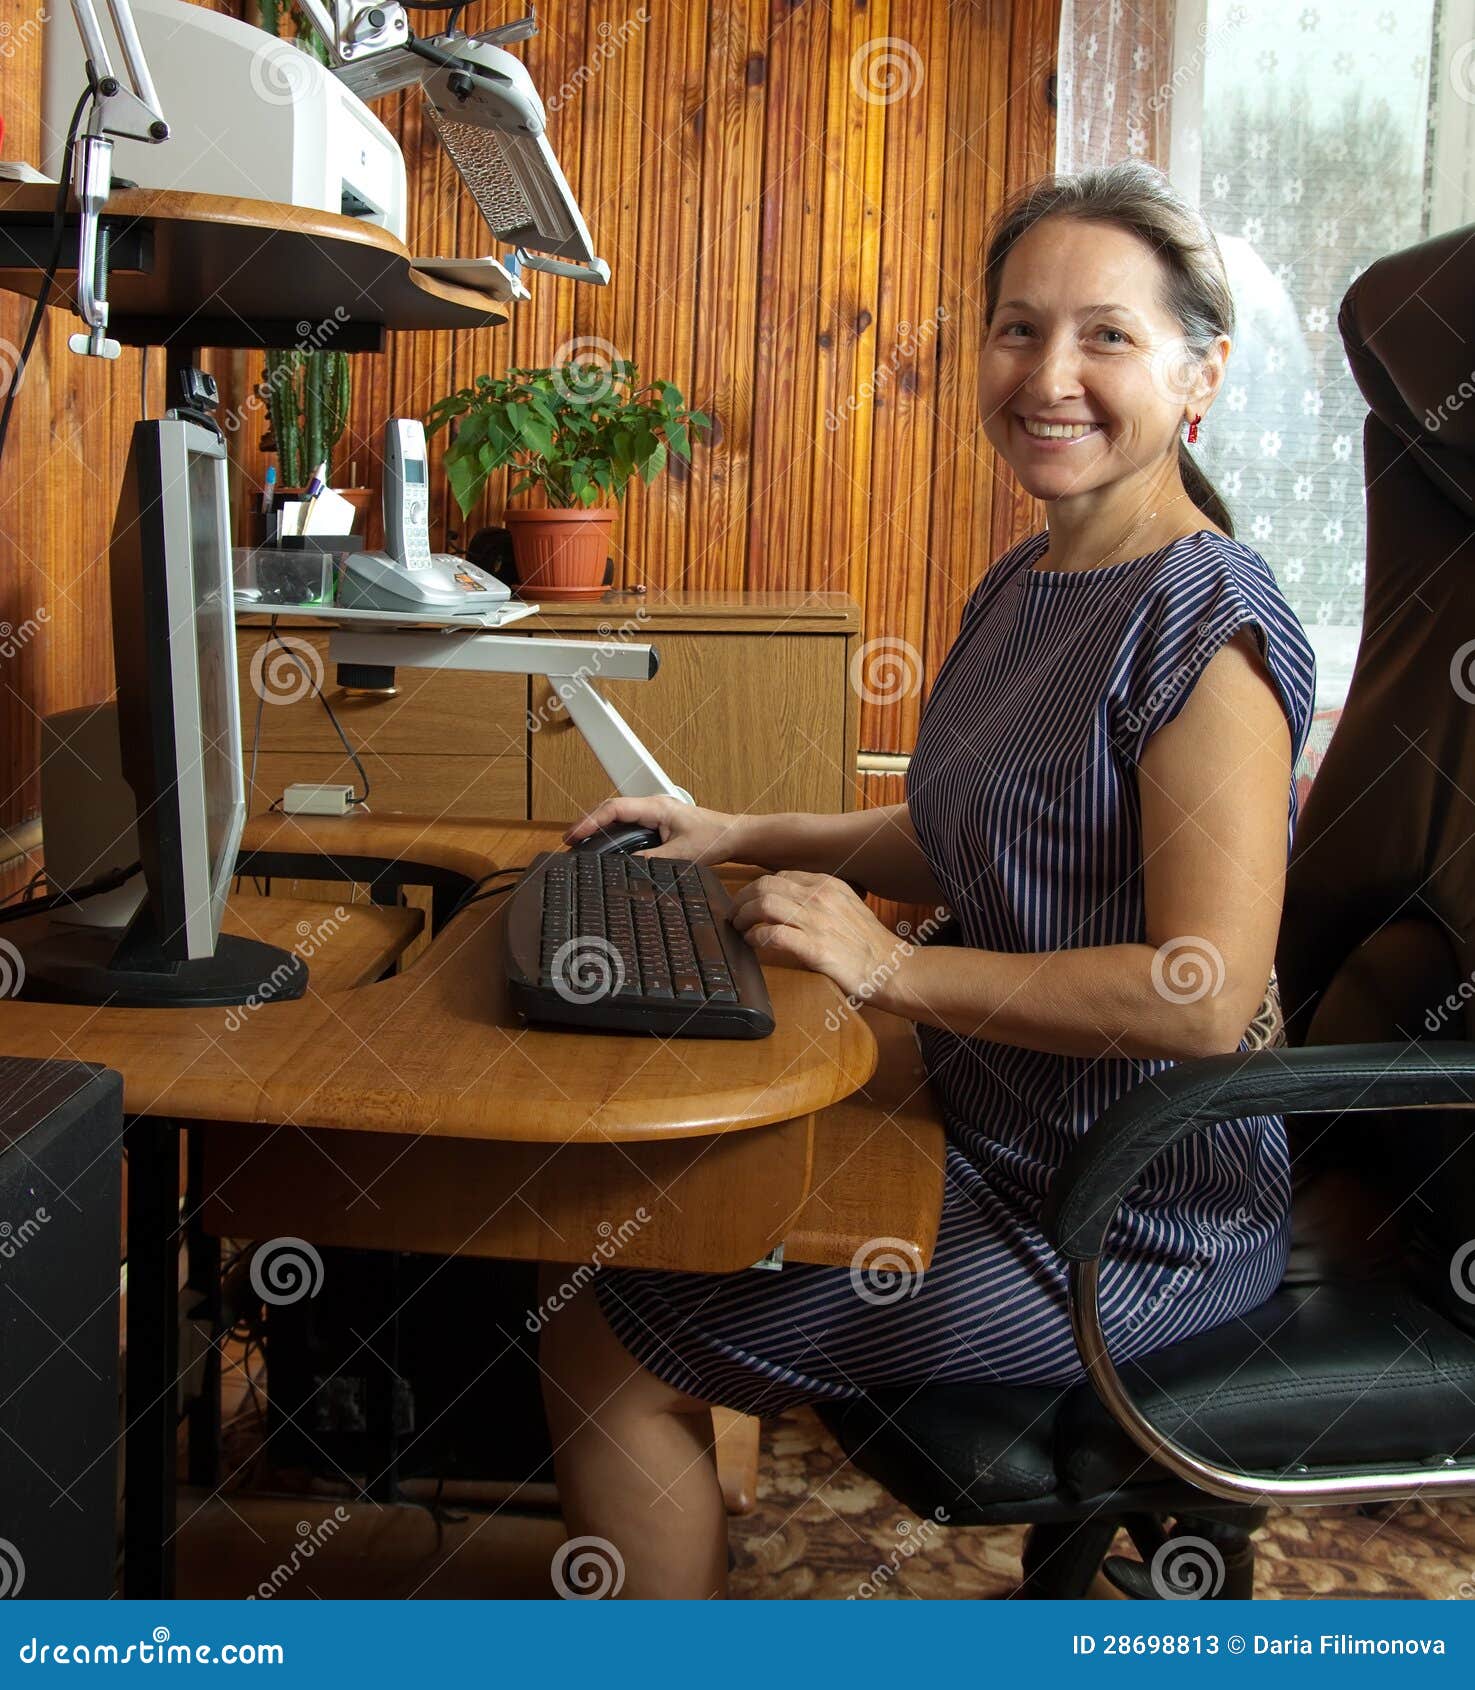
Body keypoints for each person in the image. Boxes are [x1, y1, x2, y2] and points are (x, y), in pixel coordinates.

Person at [537, 160, 1316, 1600]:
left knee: (609, 1322)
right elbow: (970, 836)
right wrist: (737, 830)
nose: (1051, 374)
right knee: (649, 1205)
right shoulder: (1025, 583)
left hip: (1118, 1216)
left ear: (1200, 375)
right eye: (1019, 329)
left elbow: (1199, 999)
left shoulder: (1207, 623)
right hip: (985, 1123)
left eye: (1108, 336)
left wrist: (888, 968)